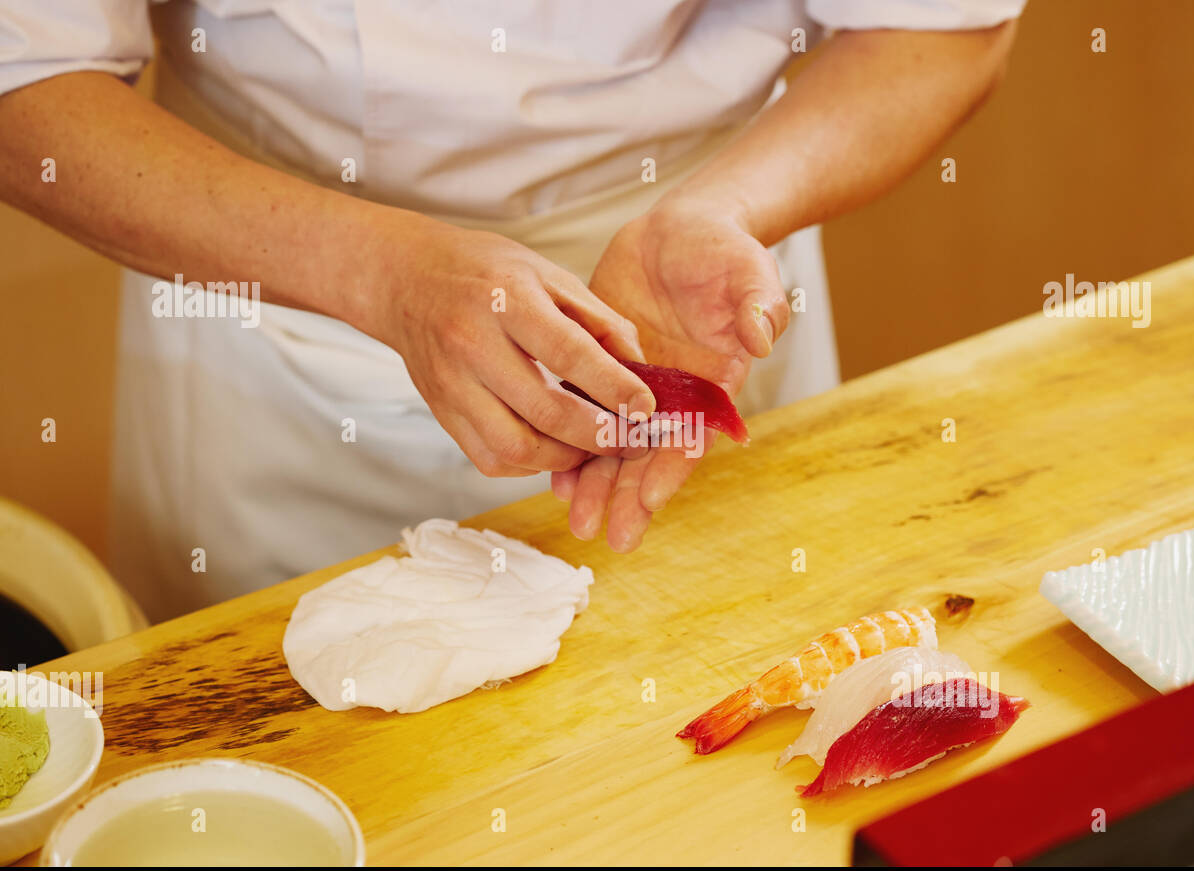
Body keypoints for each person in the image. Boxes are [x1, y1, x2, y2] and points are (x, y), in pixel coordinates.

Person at [0, 1, 1022, 621]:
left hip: (701, 284)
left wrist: (726, 207)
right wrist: (376, 271)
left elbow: (938, 25)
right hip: (286, 318)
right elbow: (24, 72)